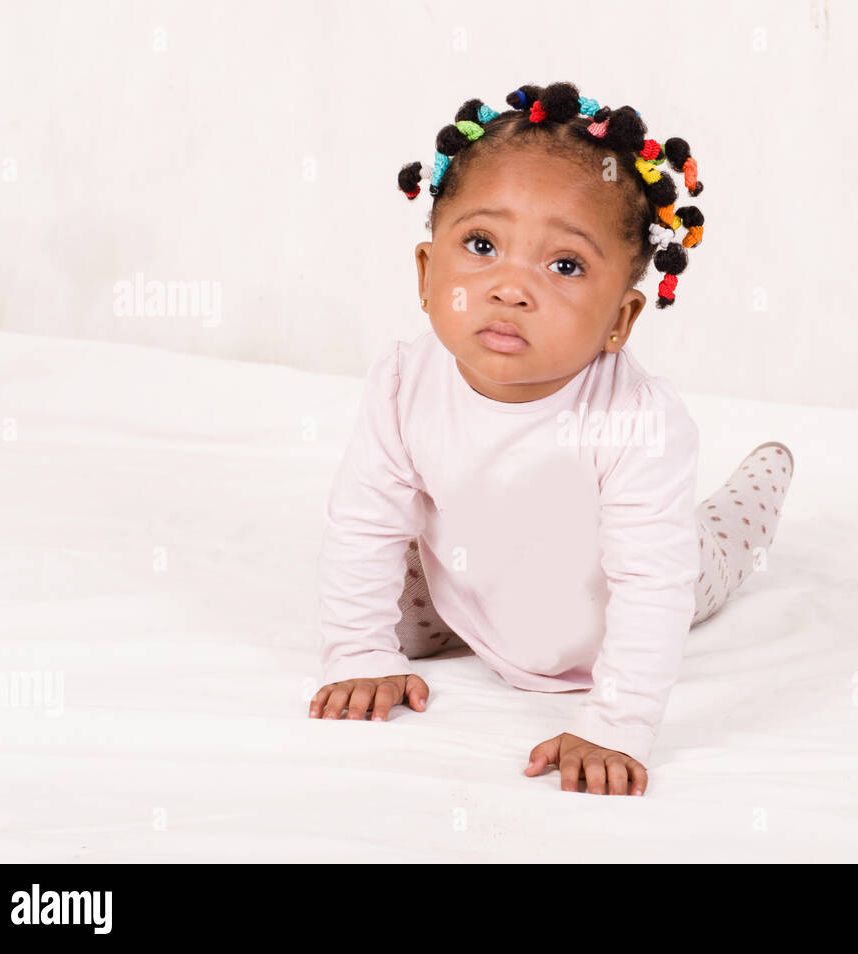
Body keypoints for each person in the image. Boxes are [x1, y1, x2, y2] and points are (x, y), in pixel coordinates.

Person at [309, 82, 794, 797]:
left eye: (564, 266)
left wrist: (616, 723)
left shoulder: (636, 419)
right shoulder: (402, 382)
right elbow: (364, 523)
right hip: (474, 579)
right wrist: (359, 652)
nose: (511, 288)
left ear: (620, 320)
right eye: (482, 246)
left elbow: (651, 584)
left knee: (704, 556)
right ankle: (458, 617)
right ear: (427, 273)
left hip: (626, 593)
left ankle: (763, 482)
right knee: (378, 595)